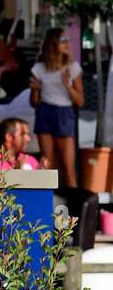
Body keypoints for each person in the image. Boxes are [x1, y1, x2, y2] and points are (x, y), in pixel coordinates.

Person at [30, 28, 83, 188]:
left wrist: (67, 84)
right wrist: (35, 89)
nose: (68, 43)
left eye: (68, 40)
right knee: (48, 165)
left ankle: (74, 208)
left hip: (64, 112)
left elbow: (80, 101)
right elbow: (33, 103)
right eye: (63, 40)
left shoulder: (73, 68)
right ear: (53, 43)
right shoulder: (39, 68)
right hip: (44, 111)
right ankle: (49, 205)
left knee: (68, 167)